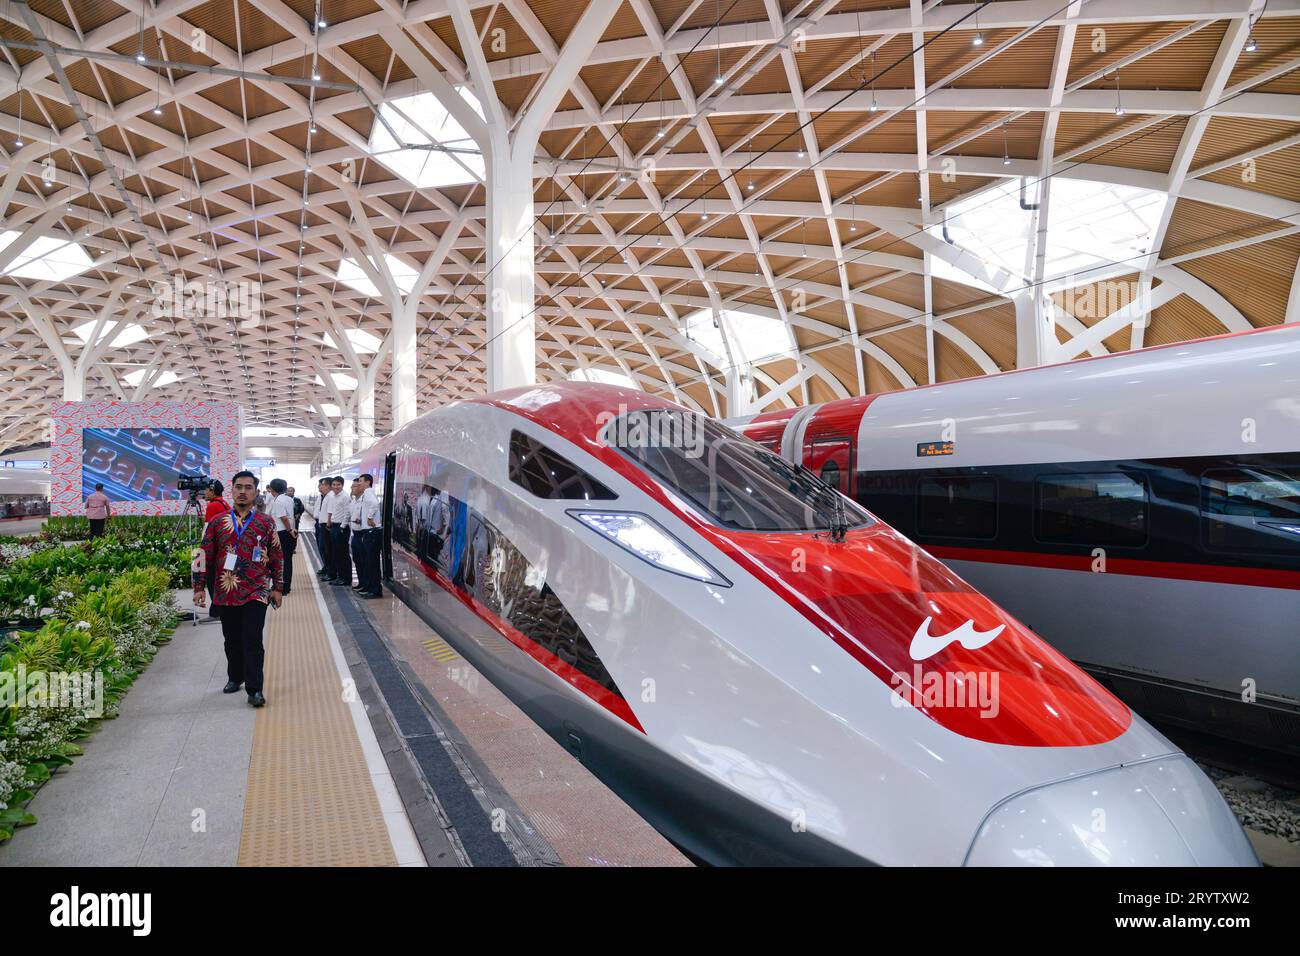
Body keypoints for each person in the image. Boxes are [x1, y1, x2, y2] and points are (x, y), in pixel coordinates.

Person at [192, 471, 283, 708]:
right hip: (226, 589)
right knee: (231, 639)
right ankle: (235, 676)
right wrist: (198, 588)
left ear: (255, 491)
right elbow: (203, 555)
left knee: (253, 640)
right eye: (239, 487)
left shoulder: (266, 522)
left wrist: (278, 587)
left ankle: (255, 689)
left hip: (257, 590)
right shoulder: (217, 522)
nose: (243, 491)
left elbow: (277, 556)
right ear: (232, 490)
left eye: (248, 487)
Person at [266, 478, 297, 597]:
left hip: (282, 533)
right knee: (287, 560)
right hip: (288, 532)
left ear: (272, 490)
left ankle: (282, 587)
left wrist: (289, 529)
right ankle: (286, 586)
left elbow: (284, 518)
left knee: (281, 561)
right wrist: (292, 530)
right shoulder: (289, 499)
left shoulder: (278, 501)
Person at [355, 473, 383, 599]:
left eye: (361, 481)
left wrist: (369, 517)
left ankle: (375, 590)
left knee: (372, 563)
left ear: (368, 482)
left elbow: (374, 505)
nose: (359, 483)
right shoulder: (368, 493)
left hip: (371, 533)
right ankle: (371, 588)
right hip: (370, 532)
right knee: (370, 562)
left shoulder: (368, 492)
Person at [328, 476, 352, 586]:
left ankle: (346, 578)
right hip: (334, 526)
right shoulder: (333, 496)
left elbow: (347, 513)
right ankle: (340, 576)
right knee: (336, 553)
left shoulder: (345, 497)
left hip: (341, 528)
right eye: (334, 484)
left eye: (338, 485)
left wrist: (342, 527)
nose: (336, 487)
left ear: (342, 485)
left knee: (343, 554)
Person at [348, 477, 366, 591]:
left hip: (362, 535)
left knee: (363, 561)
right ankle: (361, 582)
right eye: (352, 486)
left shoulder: (364, 501)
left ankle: (365, 584)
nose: (352, 488)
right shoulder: (353, 501)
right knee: (357, 560)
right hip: (354, 534)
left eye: (355, 486)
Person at [314, 478, 334, 580]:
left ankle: (330, 571)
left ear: (328, 486)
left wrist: (328, 524)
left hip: (326, 526)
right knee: (322, 548)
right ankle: (327, 567)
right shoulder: (322, 497)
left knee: (327, 549)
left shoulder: (330, 497)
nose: (320, 487)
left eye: (322, 485)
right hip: (320, 524)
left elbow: (330, 512)